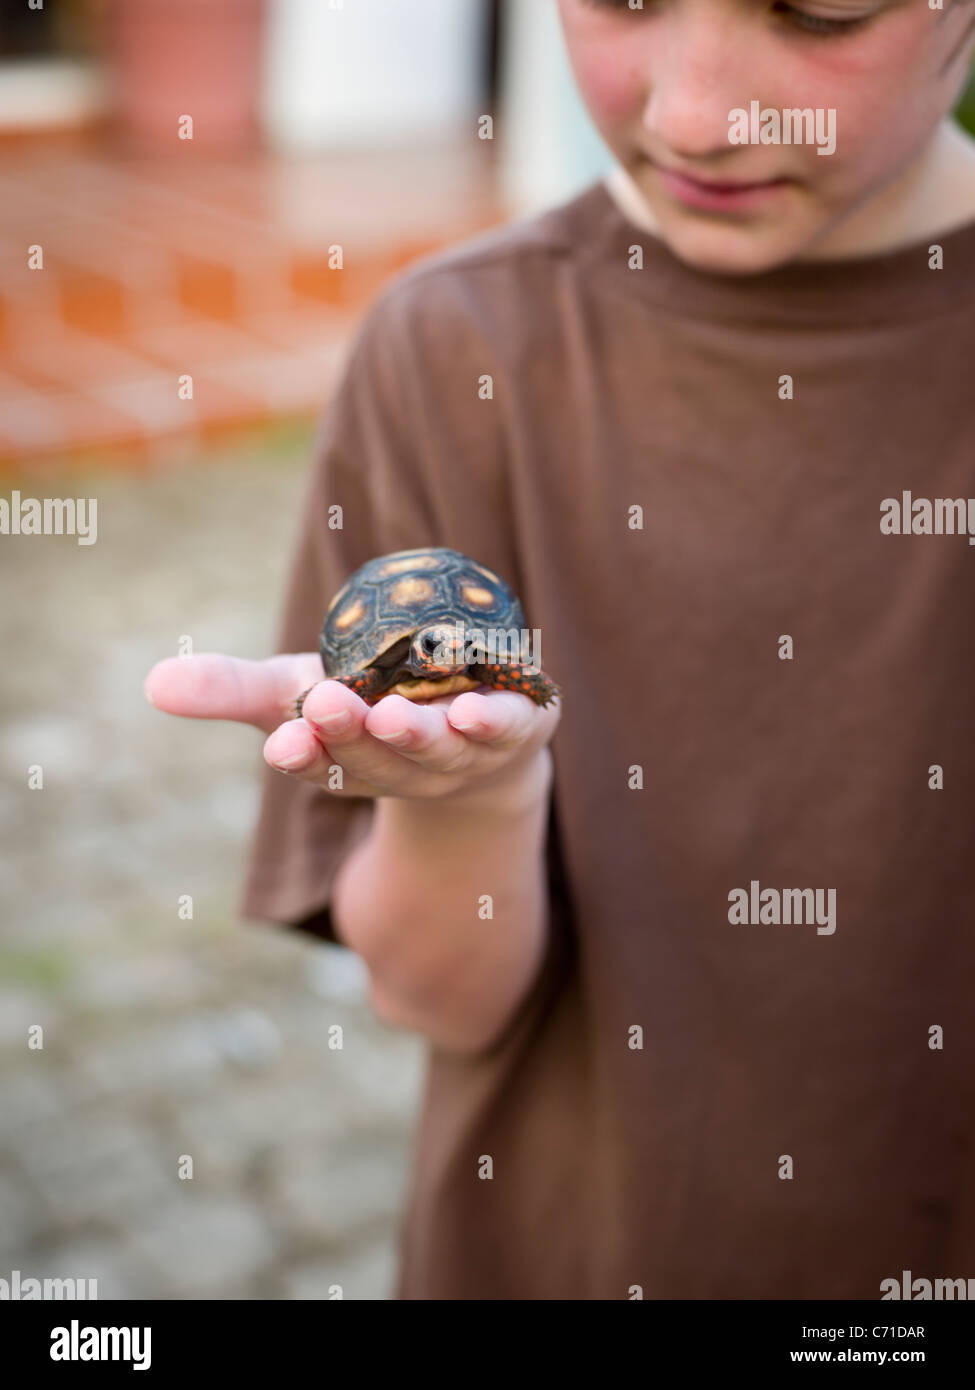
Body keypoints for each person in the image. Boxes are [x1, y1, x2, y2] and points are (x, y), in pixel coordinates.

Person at [145, 0, 975, 1299]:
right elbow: (439, 997)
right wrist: (465, 804)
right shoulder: (456, 353)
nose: (696, 112)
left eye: (821, 8)